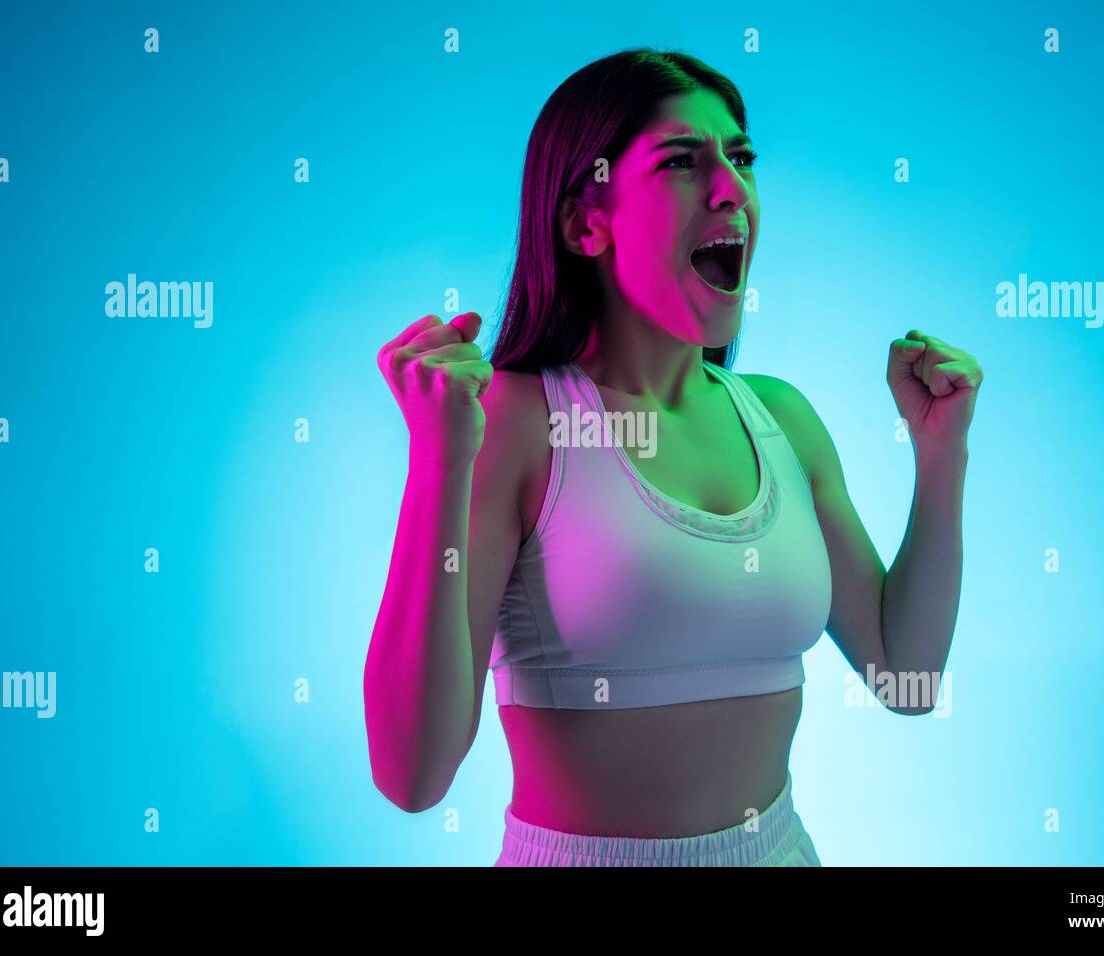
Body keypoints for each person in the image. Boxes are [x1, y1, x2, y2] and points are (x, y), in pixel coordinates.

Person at [363, 48, 983, 866]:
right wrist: (440, 462)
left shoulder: (781, 420)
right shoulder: (515, 422)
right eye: (683, 162)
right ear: (587, 222)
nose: (732, 187)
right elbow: (413, 777)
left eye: (743, 157)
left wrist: (941, 452)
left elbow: (907, 675)